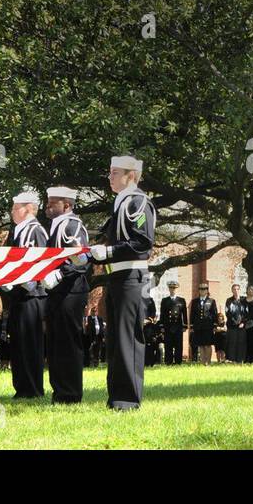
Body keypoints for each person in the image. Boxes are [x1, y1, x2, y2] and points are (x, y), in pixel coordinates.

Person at [88, 154, 157, 410]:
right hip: (118, 277)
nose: (110, 177)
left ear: (131, 176)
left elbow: (143, 242)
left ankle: (127, 400)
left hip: (131, 277)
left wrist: (108, 252)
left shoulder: (137, 202)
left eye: (115, 173)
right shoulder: (121, 203)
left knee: (127, 339)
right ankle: (116, 397)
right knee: (116, 340)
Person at [41, 186, 90, 404]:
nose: (47, 206)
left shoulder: (72, 225)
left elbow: (81, 259)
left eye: (53, 202)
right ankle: (59, 391)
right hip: (57, 292)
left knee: (68, 342)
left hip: (70, 291)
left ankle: (70, 393)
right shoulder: (55, 226)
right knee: (55, 343)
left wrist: (59, 275)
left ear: (67, 205)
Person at [2, 189, 48, 399]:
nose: (12, 211)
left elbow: (39, 261)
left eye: (16, 207)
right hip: (20, 294)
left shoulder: (35, 231)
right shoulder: (19, 231)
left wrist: (30, 282)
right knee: (19, 343)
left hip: (32, 295)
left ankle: (32, 389)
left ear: (29, 208)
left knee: (30, 343)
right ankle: (22, 387)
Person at [159, 279, 188, 364]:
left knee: (178, 345)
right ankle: (168, 361)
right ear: (169, 289)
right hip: (168, 326)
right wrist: (162, 326)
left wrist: (185, 325)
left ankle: (178, 361)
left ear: (177, 288)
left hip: (178, 326)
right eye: (171, 288)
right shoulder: (165, 300)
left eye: (174, 288)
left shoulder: (181, 300)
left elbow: (184, 314)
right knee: (168, 344)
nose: (172, 290)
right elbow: (162, 314)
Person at [190, 282, 219, 365]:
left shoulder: (211, 301)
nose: (202, 291)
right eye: (200, 289)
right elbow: (192, 314)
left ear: (207, 290)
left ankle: (208, 362)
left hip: (208, 326)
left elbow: (214, 314)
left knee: (208, 345)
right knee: (201, 345)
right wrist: (192, 326)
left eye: (204, 289)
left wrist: (215, 325)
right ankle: (203, 363)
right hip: (198, 326)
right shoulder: (195, 301)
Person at [224, 284, 249, 363]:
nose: (236, 291)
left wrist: (243, 323)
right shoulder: (229, 300)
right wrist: (235, 322)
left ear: (239, 290)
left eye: (237, 289)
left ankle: (240, 359)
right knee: (232, 343)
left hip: (242, 326)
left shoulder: (244, 300)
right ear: (232, 290)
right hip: (232, 326)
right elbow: (227, 312)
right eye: (234, 289)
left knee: (241, 343)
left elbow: (247, 313)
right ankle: (232, 359)